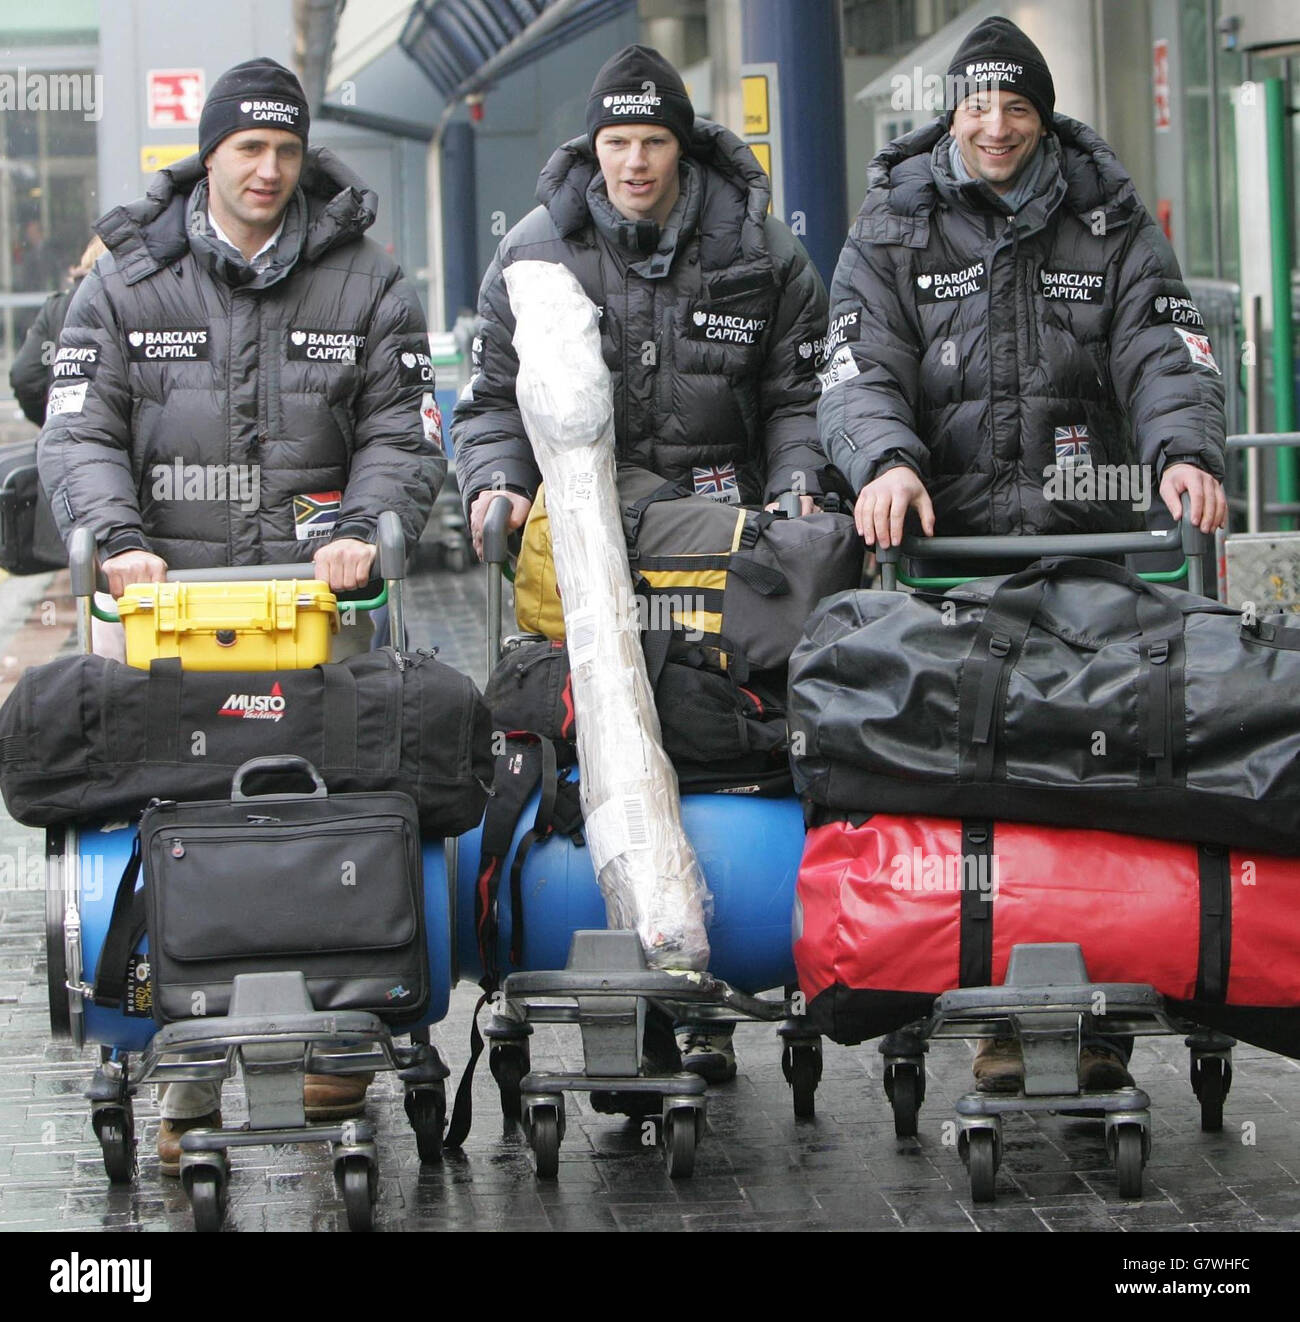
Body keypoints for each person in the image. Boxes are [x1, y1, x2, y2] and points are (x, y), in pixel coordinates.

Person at [38, 57, 444, 1169]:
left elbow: (402, 433)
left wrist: (366, 525)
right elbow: (76, 433)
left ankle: (330, 1047)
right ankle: (186, 1056)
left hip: (319, 615)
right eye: (247, 148)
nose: (267, 169)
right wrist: (118, 544)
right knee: (182, 823)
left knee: (322, 817)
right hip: (169, 623)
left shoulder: (367, 278)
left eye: (284, 149)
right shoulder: (124, 279)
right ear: (209, 154)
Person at [818, 17, 1228, 1093]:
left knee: (1094, 777)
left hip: (1093, 555)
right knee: (974, 781)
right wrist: (885, 463)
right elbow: (858, 366)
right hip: (950, 563)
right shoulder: (894, 228)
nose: (995, 127)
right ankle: (984, 998)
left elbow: (1162, 348)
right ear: (949, 113)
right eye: (976, 106)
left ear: (1044, 117)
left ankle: (1095, 1013)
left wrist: (1181, 453)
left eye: (1017, 107)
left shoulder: (1113, 220)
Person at [453, 43, 830, 1085]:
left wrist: (797, 489)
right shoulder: (535, 249)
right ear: (592, 147)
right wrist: (495, 485)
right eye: (615, 142)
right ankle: (628, 978)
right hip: (577, 558)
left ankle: (706, 984)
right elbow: (489, 402)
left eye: (651, 141)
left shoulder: (758, 249)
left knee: (719, 743)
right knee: (591, 743)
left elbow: (802, 395)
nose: (633, 163)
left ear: (683, 145)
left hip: (717, 556)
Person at [9, 235, 107, 426]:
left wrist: (52, 422)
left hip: (66, 436)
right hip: (121, 440)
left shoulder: (57, 307)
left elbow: (24, 377)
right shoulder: (135, 304)